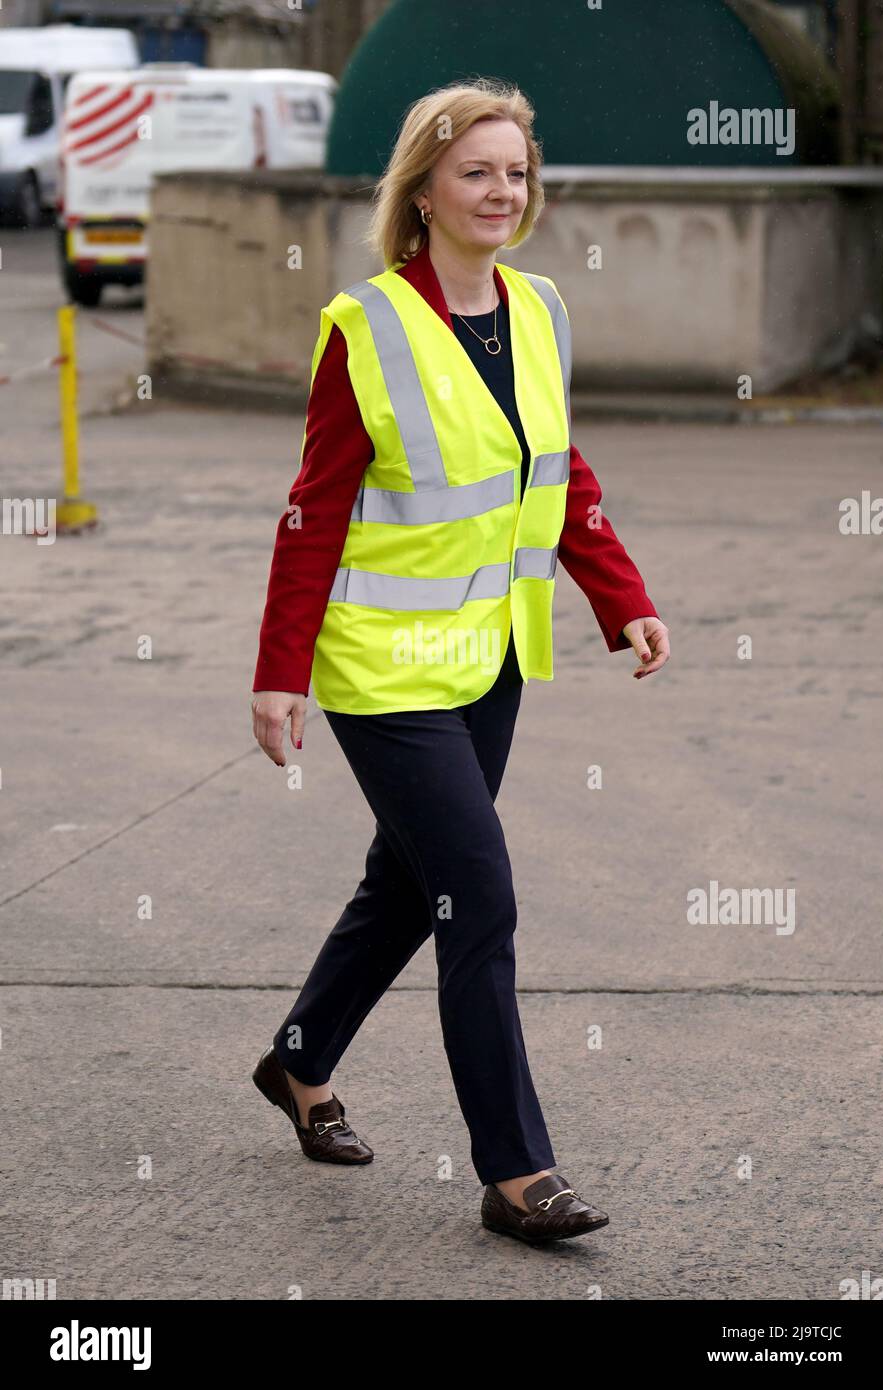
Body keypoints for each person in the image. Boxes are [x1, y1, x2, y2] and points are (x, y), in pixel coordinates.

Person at [250, 77, 670, 1246]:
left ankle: (297, 1062)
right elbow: (314, 510)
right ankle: (517, 1171)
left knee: (409, 882)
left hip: (486, 657)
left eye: (516, 171)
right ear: (424, 188)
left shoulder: (536, 309)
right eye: (475, 170)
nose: (500, 190)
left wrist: (619, 596)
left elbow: (557, 472)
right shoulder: (367, 324)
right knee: (474, 892)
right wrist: (279, 668)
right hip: (382, 668)